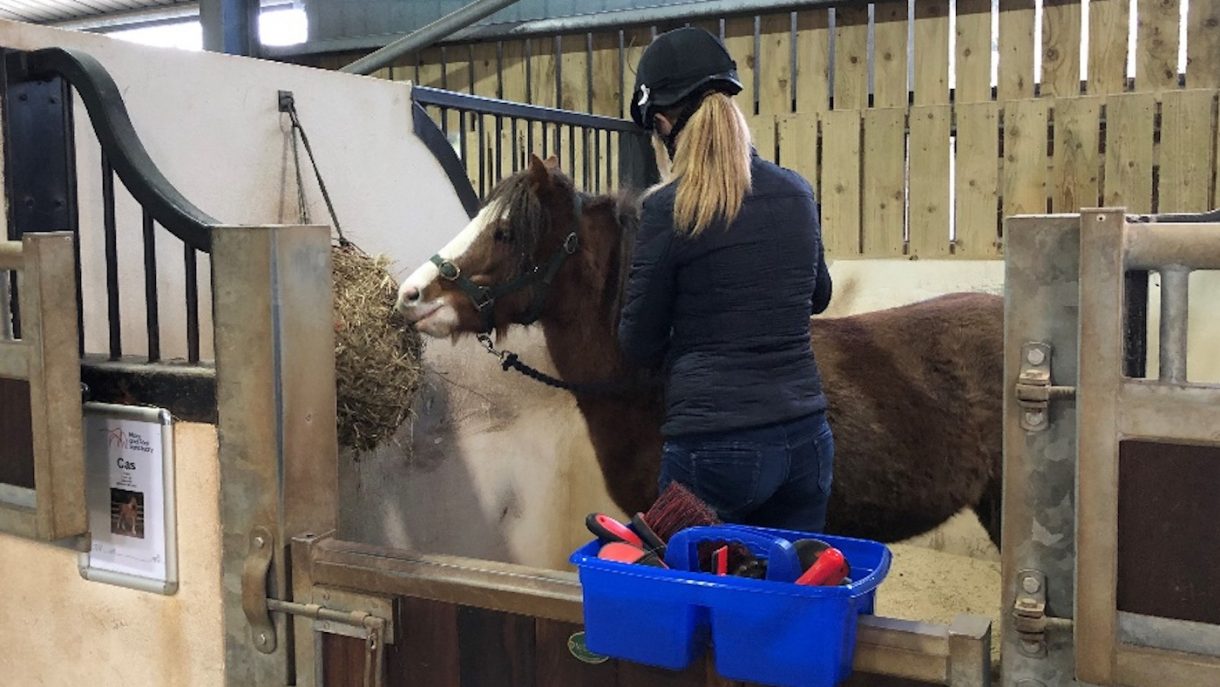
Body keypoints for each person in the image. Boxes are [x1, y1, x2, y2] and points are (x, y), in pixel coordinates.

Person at [617, 27, 835, 532]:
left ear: (665, 123)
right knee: (788, 594)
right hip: (808, 441)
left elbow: (638, 342)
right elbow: (818, 296)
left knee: (696, 597)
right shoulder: (796, 191)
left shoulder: (669, 209)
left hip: (713, 446)